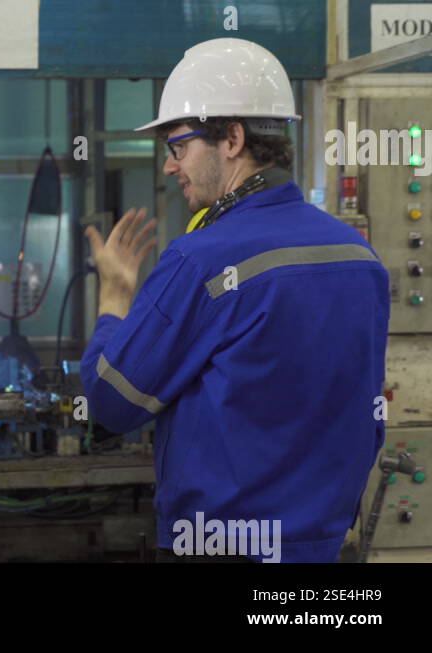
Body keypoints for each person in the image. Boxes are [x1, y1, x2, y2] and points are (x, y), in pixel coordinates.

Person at [80, 38, 389, 563]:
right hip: (321, 549)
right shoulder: (359, 255)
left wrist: (114, 295)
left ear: (232, 139)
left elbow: (112, 401)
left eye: (178, 146)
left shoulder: (201, 260)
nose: (169, 167)